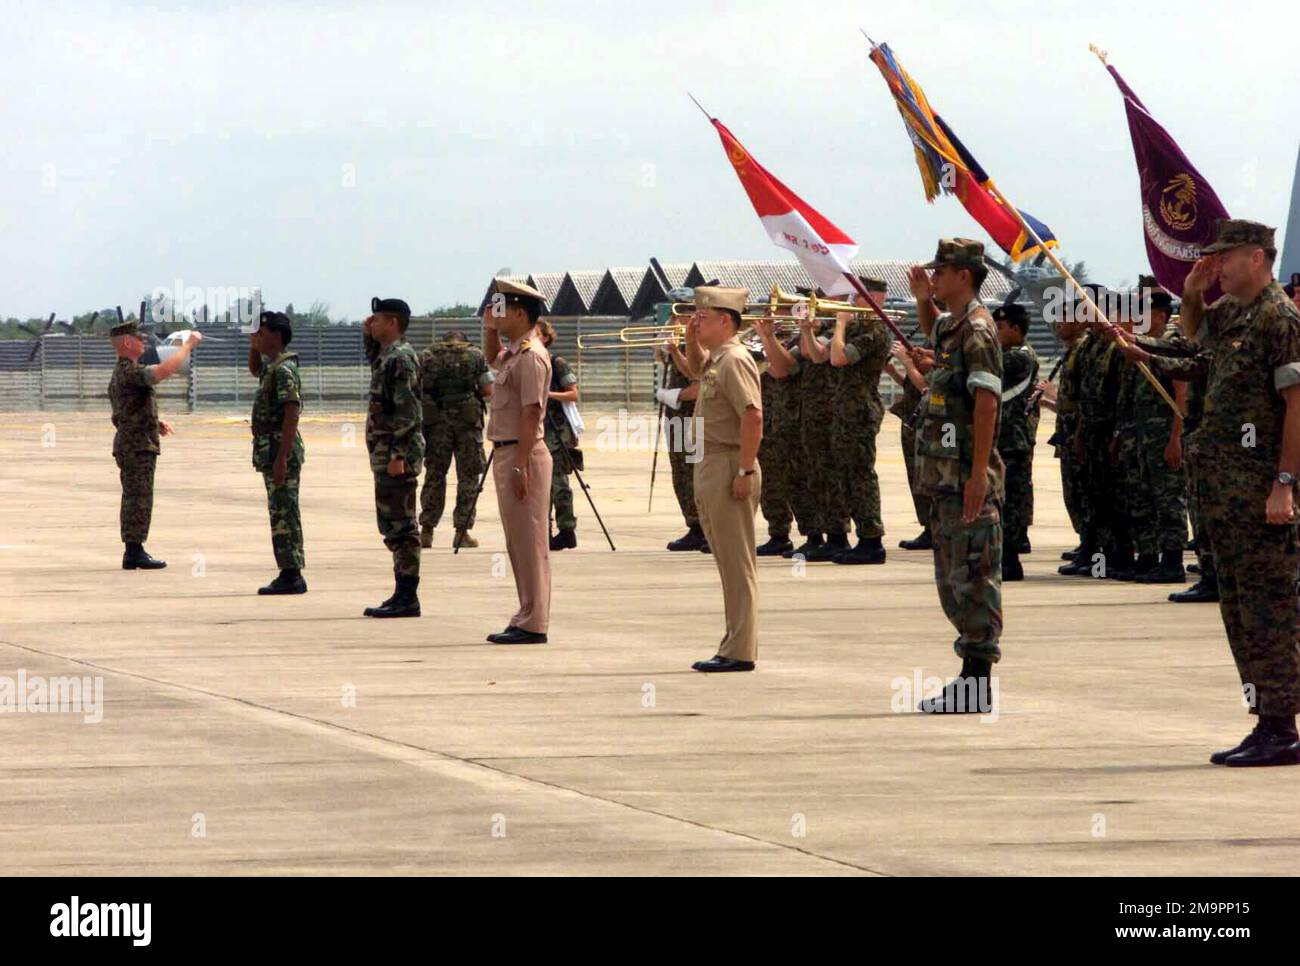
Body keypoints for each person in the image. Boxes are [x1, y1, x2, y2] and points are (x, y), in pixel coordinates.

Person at [1179, 219, 1300, 766]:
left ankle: (1283, 727)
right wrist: (1191, 294)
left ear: (1257, 257)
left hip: (1261, 496)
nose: (1216, 265)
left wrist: (1284, 484)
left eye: (1224, 256)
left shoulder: (1280, 318)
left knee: (1268, 610)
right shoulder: (1233, 313)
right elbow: (1193, 340)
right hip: (1227, 497)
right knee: (1238, 610)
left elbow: (1298, 406)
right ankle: (1265, 721)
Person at [908, 239, 1003, 713]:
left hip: (965, 475)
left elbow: (987, 401)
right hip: (944, 477)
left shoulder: (979, 331)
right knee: (953, 579)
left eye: (940, 273)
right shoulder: (955, 327)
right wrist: (925, 300)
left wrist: (979, 473)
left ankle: (977, 683)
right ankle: (970, 680)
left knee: (973, 576)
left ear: (963, 275)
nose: (934, 278)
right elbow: (936, 336)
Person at [684, 286, 763, 672]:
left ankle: (740, 650)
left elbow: (752, 415)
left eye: (704, 316)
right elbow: (697, 369)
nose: (696, 320)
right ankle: (733, 643)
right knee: (727, 563)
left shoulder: (734, 360)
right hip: (712, 463)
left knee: (737, 564)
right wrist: (688, 338)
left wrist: (745, 470)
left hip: (730, 463)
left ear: (726, 321)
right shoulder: (718, 359)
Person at [482, 279, 553, 645]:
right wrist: (489, 327)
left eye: (502, 309)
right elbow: (491, 358)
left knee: (531, 541)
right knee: (518, 541)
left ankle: (534, 621)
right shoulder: (514, 352)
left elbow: (531, 412)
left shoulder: (532, 355)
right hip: (509, 450)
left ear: (521, 313)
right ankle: (526, 614)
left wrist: (520, 465)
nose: (498, 314)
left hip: (523, 453)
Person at [107, 314, 202, 569]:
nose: (143, 340)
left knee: (136, 497)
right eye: (138, 337)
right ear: (127, 343)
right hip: (136, 446)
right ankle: (134, 551)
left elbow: (124, 411)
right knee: (138, 499)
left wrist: (154, 423)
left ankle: (134, 549)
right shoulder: (130, 372)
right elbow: (164, 371)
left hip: (133, 442)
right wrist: (188, 346)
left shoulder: (121, 374)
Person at [362, 297, 424, 618]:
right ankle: (400, 592)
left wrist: (399, 453)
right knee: (391, 523)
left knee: (401, 524)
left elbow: (408, 411)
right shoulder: (388, 356)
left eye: (378, 319)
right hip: (384, 453)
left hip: (396, 455)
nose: (372, 323)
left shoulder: (401, 359)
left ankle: (408, 597)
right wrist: (366, 333)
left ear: (393, 323)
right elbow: (374, 362)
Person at [828, 277, 892, 564]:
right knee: (846, 476)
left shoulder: (875, 330)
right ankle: (860, 538)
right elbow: (821, 355)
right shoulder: (858, 328)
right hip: (845, 410)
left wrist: (840, 325)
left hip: (860, 411)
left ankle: (871, 539)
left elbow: (838, 359)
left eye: (859, 297)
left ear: (874, 299)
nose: (853, 303)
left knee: (860, 476)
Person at [247, 311, 307, 594]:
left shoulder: (283, 370)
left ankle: (292, 574)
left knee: (285, 512)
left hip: (280, 450)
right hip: (270, 449)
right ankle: (288, 571)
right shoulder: (272, 367)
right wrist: (253, 345)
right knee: (279, 510)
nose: (257, 335)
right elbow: (254, 370)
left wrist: (282, 457)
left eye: (262, 331)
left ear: (277, 335)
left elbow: (291, 412)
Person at [417, 329, 493, 549]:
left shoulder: (427, 355)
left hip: (436, 423)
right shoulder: (476, 355)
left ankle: (427, 531)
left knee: (434, 475)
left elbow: (418, 387)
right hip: (467, 424)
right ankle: (462, 532)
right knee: (468, 477)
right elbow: (487, 389)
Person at [993, 303, 1038, 581]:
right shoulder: (1007, 353)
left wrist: (943, 357)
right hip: (1002, 438)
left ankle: (1010, 560)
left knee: (1010, 501)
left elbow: (983, 362)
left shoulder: (1020, 357)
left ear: (1016, 330)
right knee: (1000, 500)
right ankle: (1003, 557)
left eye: (1000, 328)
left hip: (1013, 439)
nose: (995, 333)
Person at [655, 333, 707, 551]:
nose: (673, 321)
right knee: (681, 474)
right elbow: (658, 358)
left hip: (695, 419)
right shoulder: (679, 343)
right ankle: (694, 525)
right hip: (676, 419)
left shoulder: (700, 346)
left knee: (696, 474)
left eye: (679, 315)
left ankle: (705, 526)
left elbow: (699, 382)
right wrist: (664, 344)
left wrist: (673, 395)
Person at [537, 320, 582, 551]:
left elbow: (573, 394)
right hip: (535, 429)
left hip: (556, 432)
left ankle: (566, 530)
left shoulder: (557, 363)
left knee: (557, 483)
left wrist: (548, 394)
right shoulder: (528, 362)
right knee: (537, 485)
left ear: (546, 337)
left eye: (536, 333)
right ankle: (542, 530)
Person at [888, 337, 935, 549]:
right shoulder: (930, 344)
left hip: (928, 422)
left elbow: (926, 386)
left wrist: (907, 363)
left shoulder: (944, 348)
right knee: (915, 477)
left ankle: (934, 527)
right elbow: (911, 387)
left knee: (928, 477)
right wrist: (892, 372)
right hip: (912, 419)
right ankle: (928, 526)